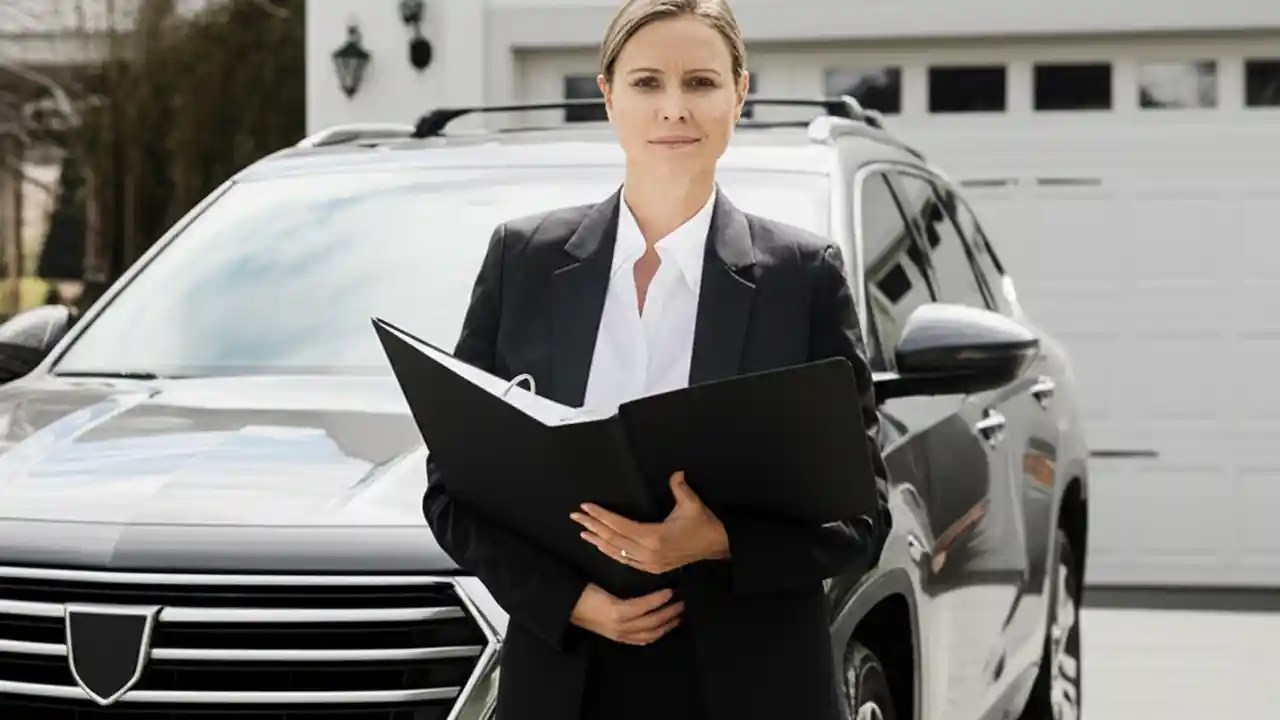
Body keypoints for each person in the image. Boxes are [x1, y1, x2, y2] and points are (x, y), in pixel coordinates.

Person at [422, 1, 891, 718]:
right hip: (565, 679)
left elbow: (862, 519)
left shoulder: (802, 278)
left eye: (700, 83)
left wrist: (719, 540)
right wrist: (572, 602)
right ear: (607, 94)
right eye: (647, 83)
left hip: (751, 684)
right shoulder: (522, 262)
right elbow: (454, 493)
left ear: (740, 92)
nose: (675, 109)